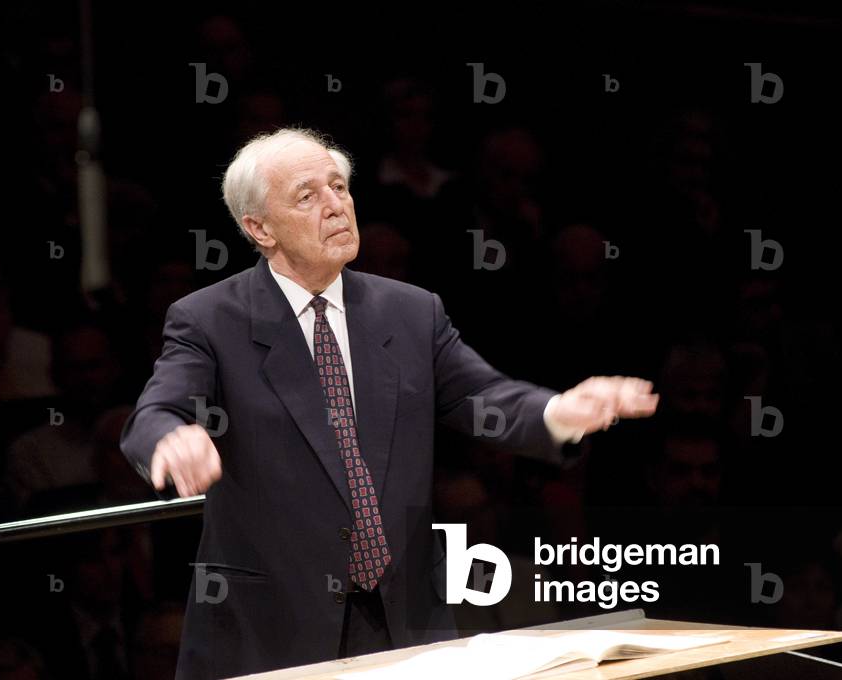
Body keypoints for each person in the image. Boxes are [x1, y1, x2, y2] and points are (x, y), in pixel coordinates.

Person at [120, 128, 659, 679]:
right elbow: (154, 414)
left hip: (402, 620)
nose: (335, 205)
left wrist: (558, 412)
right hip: (271, 631)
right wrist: (170, 438)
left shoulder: (410, 312)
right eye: (307, 197)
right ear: (259, 228)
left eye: (338, 187)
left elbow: (487, 397)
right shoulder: (209, 320)